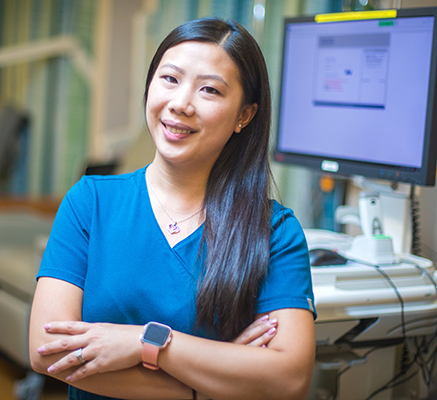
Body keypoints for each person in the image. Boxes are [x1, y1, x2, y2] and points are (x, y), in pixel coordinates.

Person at [29, 17, 316, 400]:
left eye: (210, 90)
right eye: (169, 79)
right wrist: (202, 387)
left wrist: (145, 343)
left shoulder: (274, 231)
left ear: (244, 115)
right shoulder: (90, 202)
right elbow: (49, 353)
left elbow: (289, 379)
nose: (180, 103)